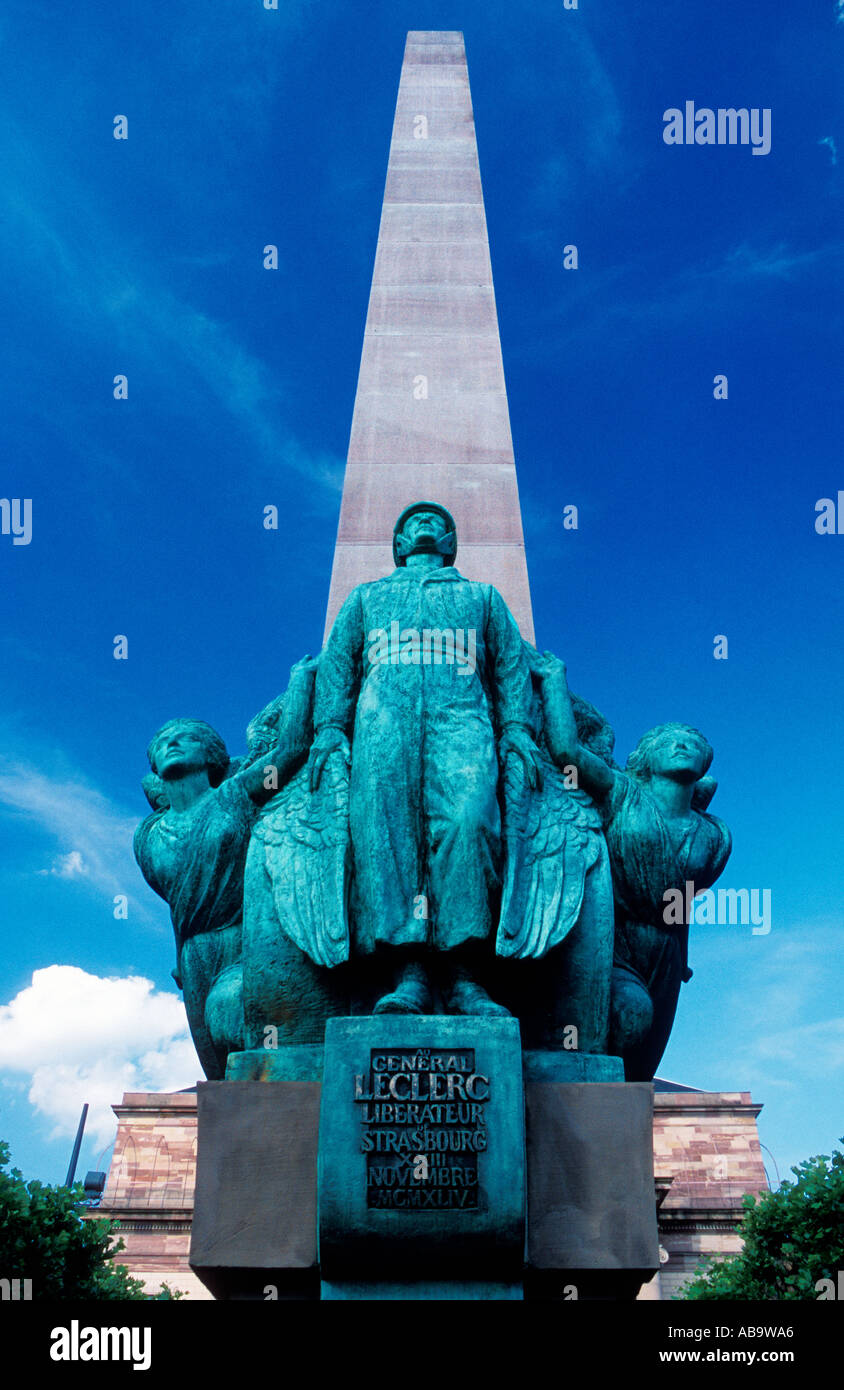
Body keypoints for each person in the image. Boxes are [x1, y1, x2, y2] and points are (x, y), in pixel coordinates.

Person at [307, 501, 542, 1015]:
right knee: (386, 834)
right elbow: (338, 667)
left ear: (452, 543)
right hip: (382, 723)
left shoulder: (481, 596)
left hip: (462, 722)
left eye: (437, 522)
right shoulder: (366, 597)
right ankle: (407, 974)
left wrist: (519, 730)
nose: (424, 525)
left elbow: (509, 667)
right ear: (396, 545)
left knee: (470, 822)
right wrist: (328, 730)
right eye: (412, 523)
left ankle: (465, 978)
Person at [534, 653, 731, 1080]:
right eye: (669, 740)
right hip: (612, 938)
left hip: (665, 951)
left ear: (704, 765)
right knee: (629, 1017)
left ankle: (613, 1140)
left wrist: (683, 954)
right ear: (646, 757)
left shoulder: (715, 836)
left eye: (693, 743)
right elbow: (568, 753)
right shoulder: (621, 792)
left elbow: (681, 900)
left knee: (641, 1066)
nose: (683, 745)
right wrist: (553, 680)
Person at [134, 660, 315, 1077]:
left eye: (186, 738)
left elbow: (289, 751)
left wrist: (300, 681)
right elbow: (181, 899)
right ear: (155, 766)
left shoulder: (233, 796)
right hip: (193, 953)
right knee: (219, 1069)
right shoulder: (147, 836)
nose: (172, 742)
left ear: (211, 754)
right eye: (162, 741)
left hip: (245, 939)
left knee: (233, 1018)